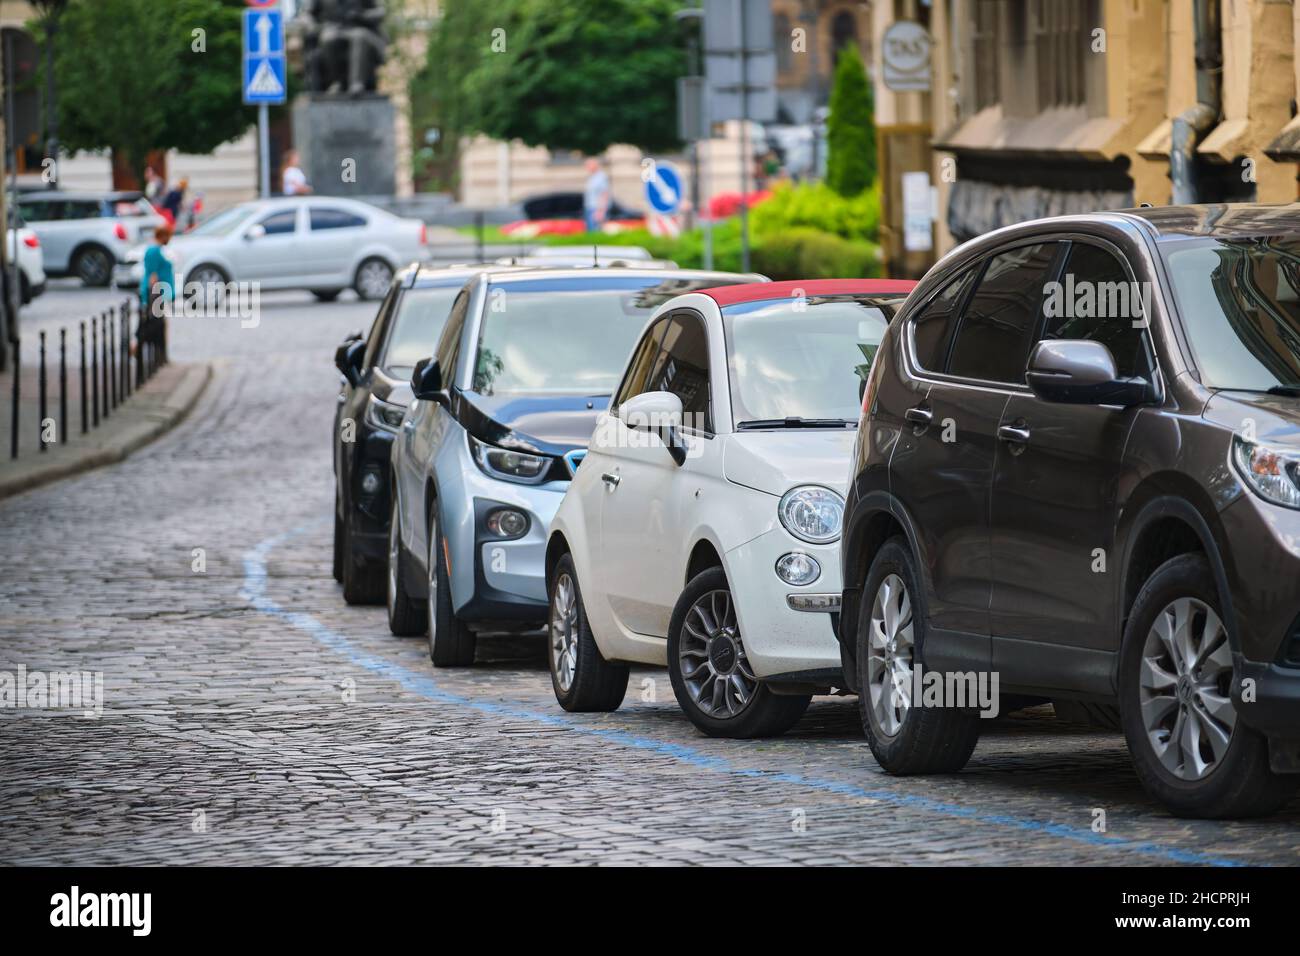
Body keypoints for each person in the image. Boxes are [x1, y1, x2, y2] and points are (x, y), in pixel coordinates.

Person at [139, 223, 176, 362]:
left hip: (158, 293)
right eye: (168, 236)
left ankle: (157, 354)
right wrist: (155, 297)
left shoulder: (156, 249)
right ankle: (153, 353)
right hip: (156, 294)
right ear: (163, 236)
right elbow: (153, 277)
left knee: (155, 324)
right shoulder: (154, 251)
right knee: (155, 324)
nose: (170, 240)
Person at [582, 158, 609, 233]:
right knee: (590, 231)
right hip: (590, 207)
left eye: (588, 165)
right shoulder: (592, 177)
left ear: (595, 165)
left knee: (595, 232)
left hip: (596, 209)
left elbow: (604, 194)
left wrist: (601, 211)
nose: (586, 167)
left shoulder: (601, 177)